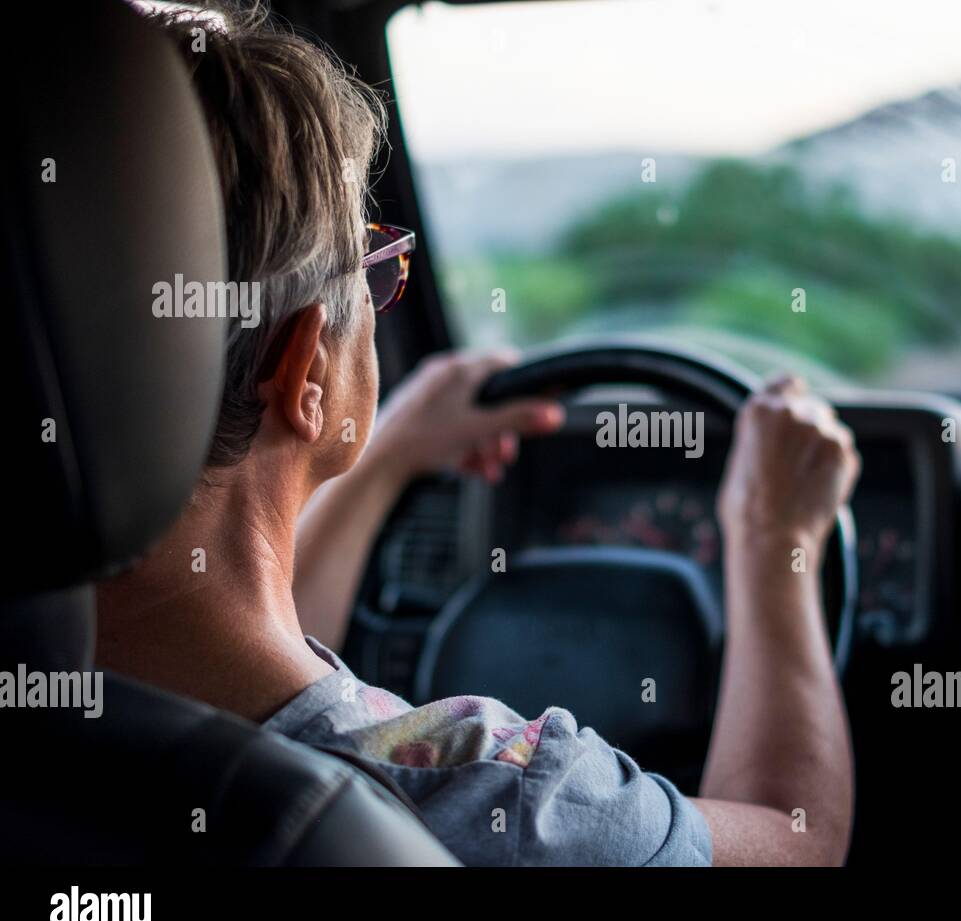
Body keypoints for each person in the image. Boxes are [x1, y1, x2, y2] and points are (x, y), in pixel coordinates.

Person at [97, 2, 859, 866]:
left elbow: (223, 662)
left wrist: (384, 459)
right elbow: (801, 841)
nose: (382, 298)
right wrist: (776, 538)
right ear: (307, 368)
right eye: (375, 272)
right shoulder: (492, 792)